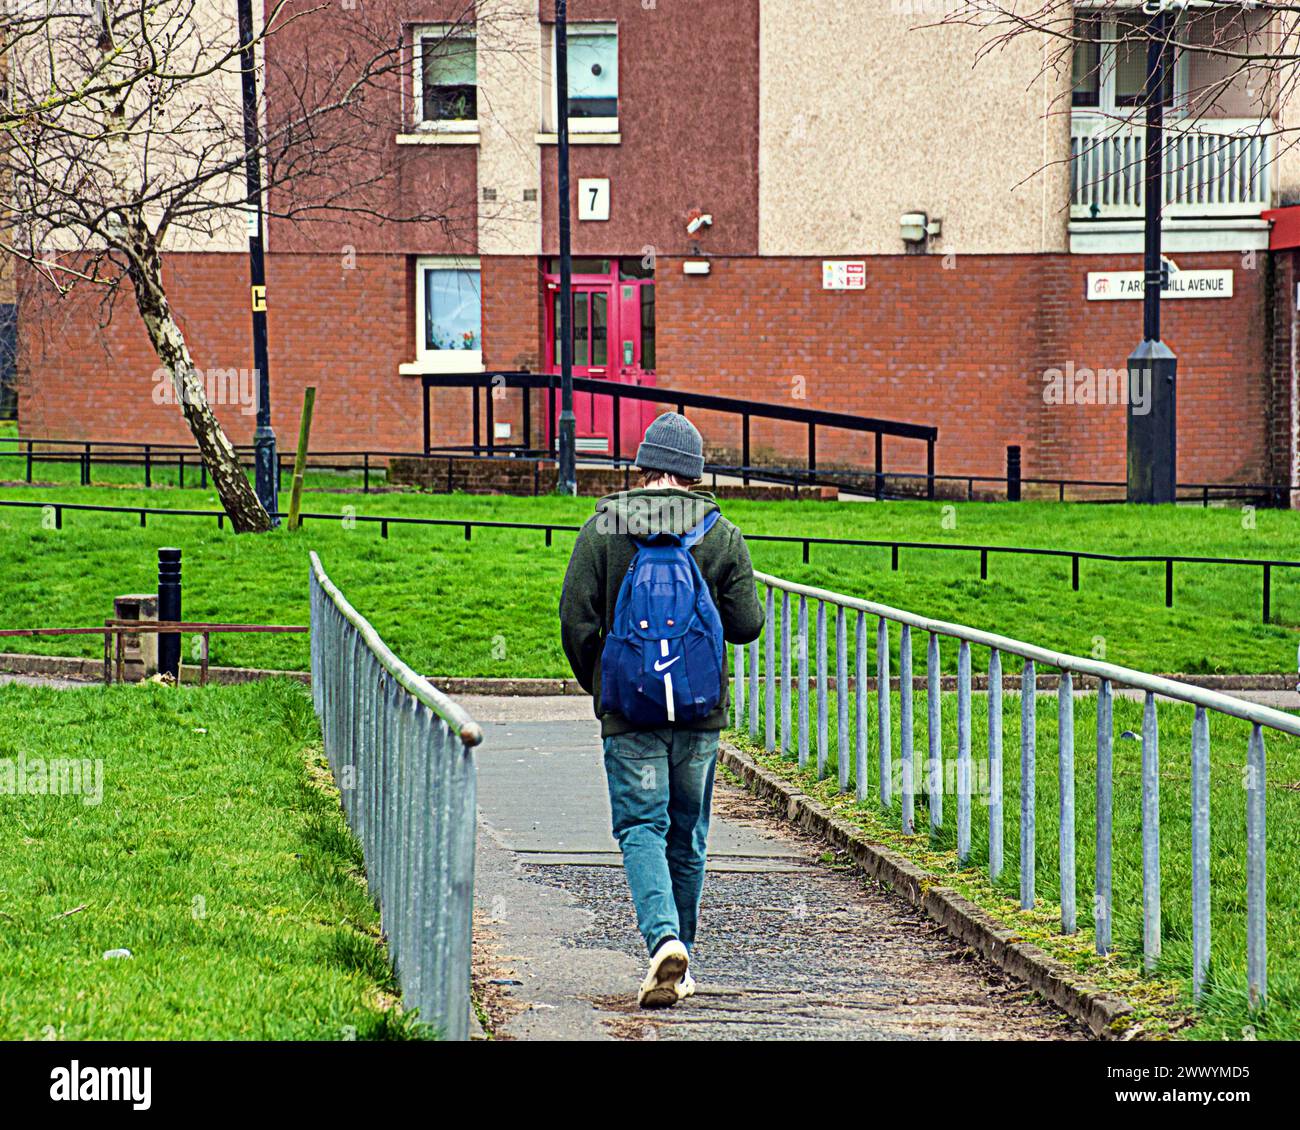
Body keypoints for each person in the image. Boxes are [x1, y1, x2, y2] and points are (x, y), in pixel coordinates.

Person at [559, 412, 763, 1008]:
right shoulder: (720, 534)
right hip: (698, 717)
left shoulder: (603, 528)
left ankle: (664, 941)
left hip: (631, 716)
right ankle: (683, 960)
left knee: (641, 828)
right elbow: (748, 625)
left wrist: (606, 685)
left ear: (642, 467)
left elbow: (576, 621)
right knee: (687, 833)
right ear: (694, 475)